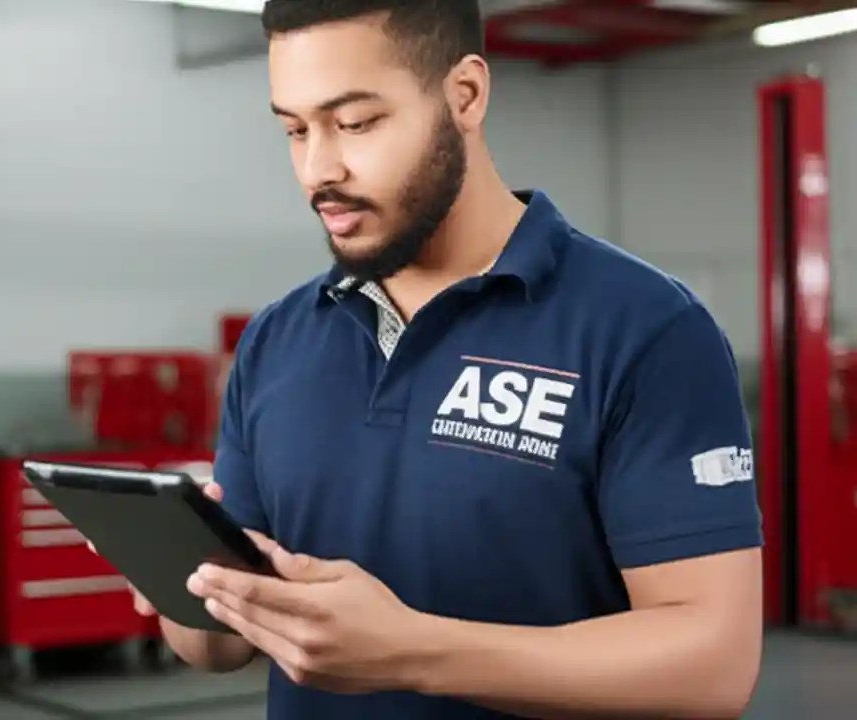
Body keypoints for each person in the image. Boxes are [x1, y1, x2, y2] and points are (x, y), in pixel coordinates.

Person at [127, 1, 764, 718]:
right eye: (295, 129)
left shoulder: (646, 329)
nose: (318, 169)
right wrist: (175, 578)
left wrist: (413, 651)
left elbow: (713, 668)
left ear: (465, 94)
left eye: (356, 123)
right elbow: (217, 647)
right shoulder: (276, 341)